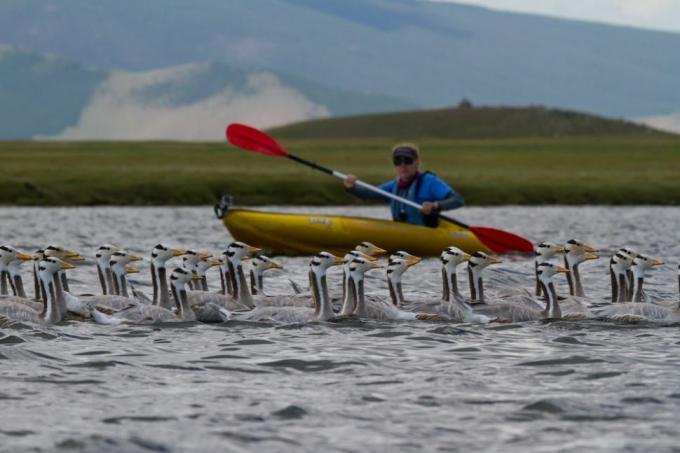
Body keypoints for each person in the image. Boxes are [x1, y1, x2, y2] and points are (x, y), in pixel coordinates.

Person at [343, 143, 464, 227]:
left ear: (417, 162)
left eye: (407, 161)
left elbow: (457, 200)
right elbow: (367, 194)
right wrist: (351, 186)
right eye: (398, 162)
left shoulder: (429, 182)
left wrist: (435, 206)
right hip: (403, 233)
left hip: (427, 233)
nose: (403, 166)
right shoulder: (393, 186)